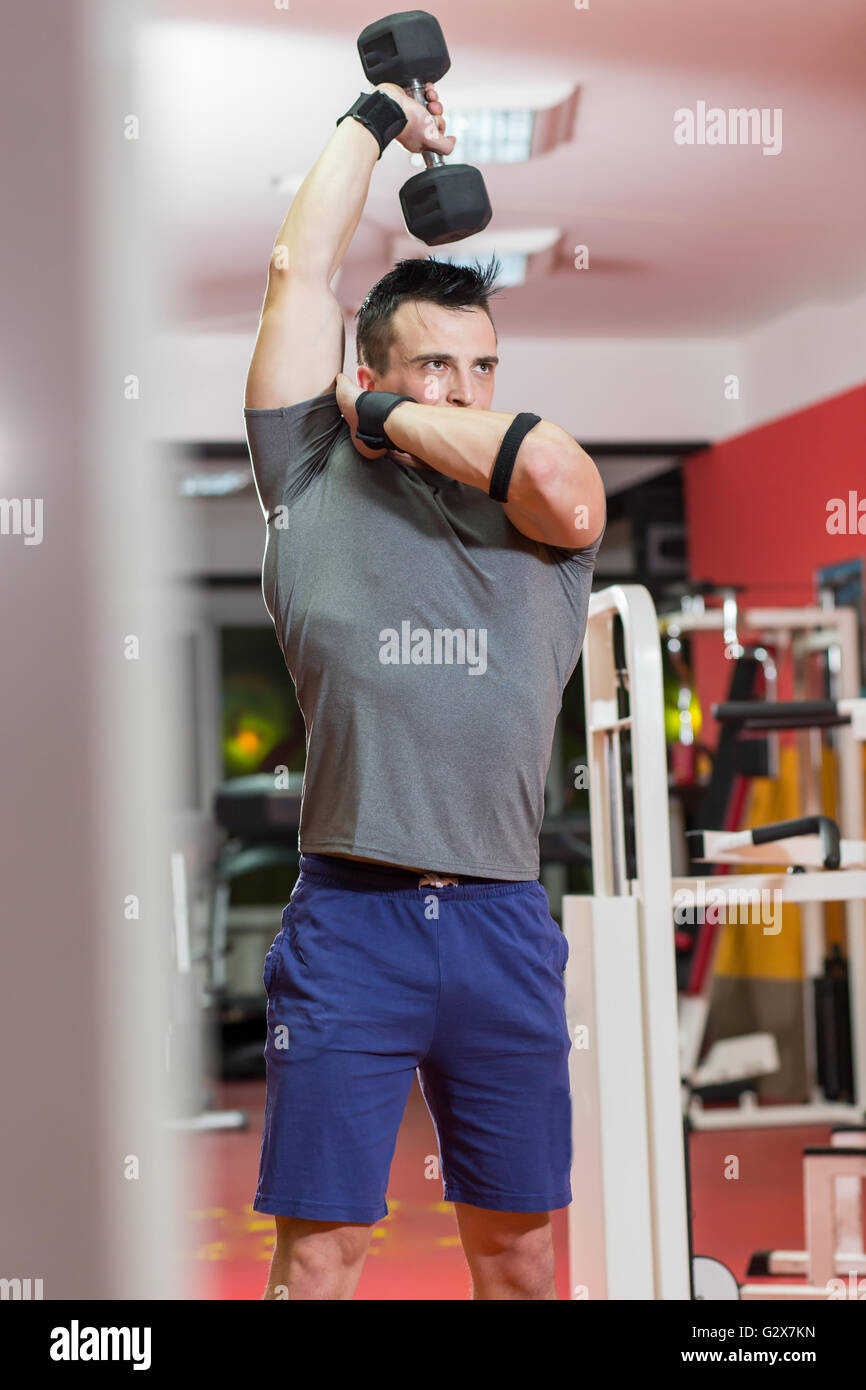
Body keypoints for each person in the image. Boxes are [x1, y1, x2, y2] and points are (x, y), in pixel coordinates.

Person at [243, 77, 606, 1301]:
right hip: (351, 917)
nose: (462, 387)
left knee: (521, 1255)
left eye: (480, 367)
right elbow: (299, 270)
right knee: (324, 1253)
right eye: (429, 366)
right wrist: (370, 118)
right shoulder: (307, 474)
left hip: (504, 919)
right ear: (364, 366)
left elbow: (559, 468)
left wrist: (393, 410)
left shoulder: (543, 510)